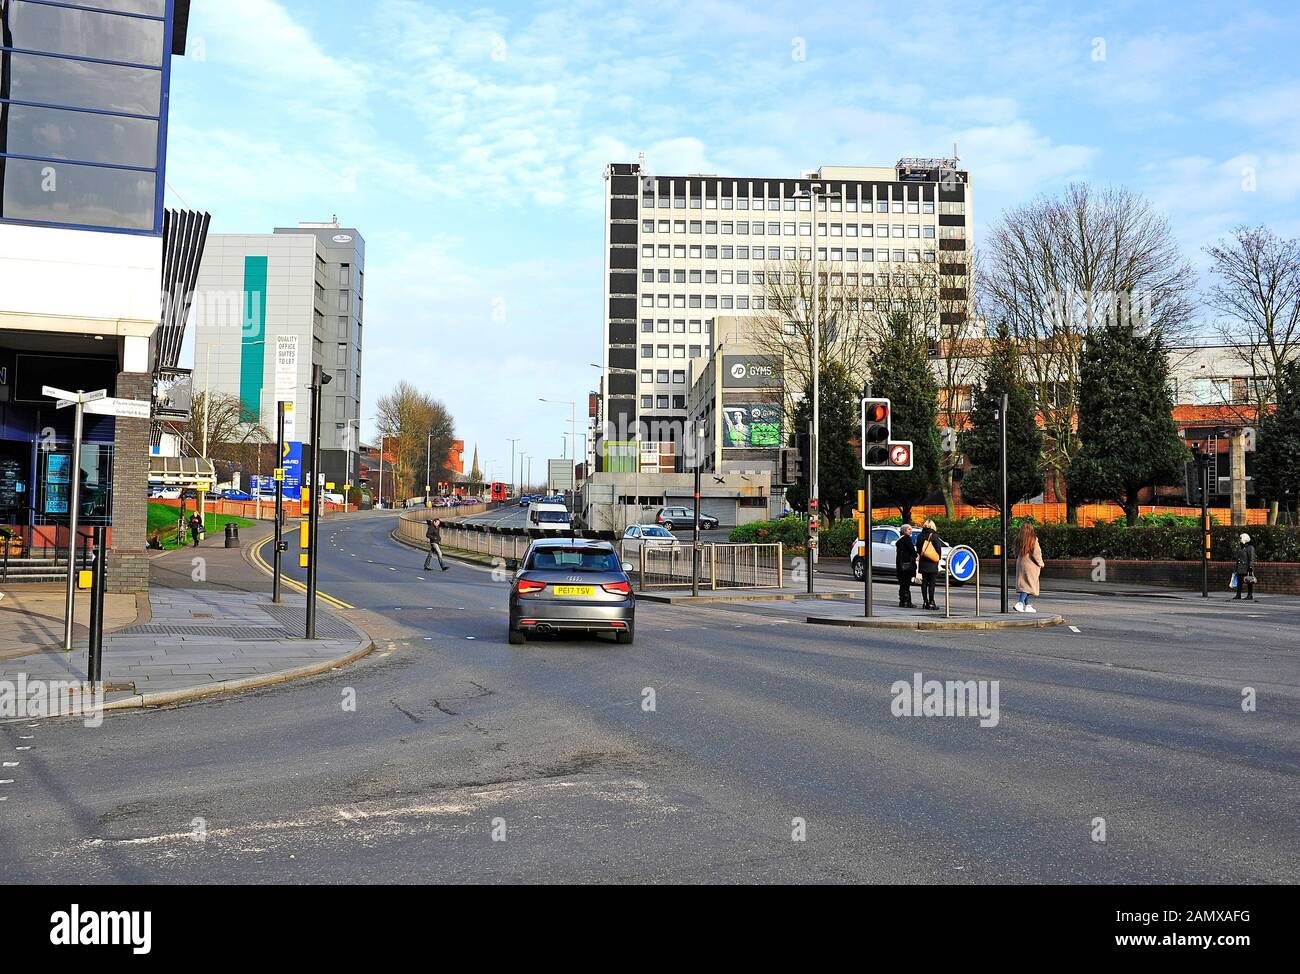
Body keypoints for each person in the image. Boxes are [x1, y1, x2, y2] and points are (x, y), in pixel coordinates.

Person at [1014, 521, 1044, 612]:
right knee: (1029, 585)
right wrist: (1041, 563)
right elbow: (1036, 553)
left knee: (1024, 584)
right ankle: (1020, 603)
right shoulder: (1033, 539)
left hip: (1021, 563)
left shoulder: (1018, 539)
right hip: (1031, 565)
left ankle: (1027, 606)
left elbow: (1015, 552)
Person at [915, 518, 944, 610]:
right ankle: (931, 602)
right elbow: (938, 550)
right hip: (932, 563)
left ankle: (925, 602)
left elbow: (919, 550)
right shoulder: (934, 536)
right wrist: (937, 558)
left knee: (924, 582)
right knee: (932, 583)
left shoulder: (919, 536)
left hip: (923, 562)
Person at [895, 523, 917, 608]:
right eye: (909, 529)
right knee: (907, 584)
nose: (911, 531)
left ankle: (902, 601)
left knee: (902, 584)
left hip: (900, 565)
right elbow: (912, 550)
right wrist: (916, 556)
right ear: (904, 531)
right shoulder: (907, 539)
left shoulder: (899, 540)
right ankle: (907, 602)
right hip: (907, 565)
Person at [1232, 533, 1256, 601]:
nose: (1239, 539)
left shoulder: (1250, 547)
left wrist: (1250, 567)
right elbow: (1238, 558)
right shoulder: (1240, 547)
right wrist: (1236, 567)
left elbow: (1251, 558)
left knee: (1249, 581)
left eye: (1240, 538)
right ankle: (1238, 594)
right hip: (1240, 567)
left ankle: (1250, 595)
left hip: (1247, 567)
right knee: (1239, 581)